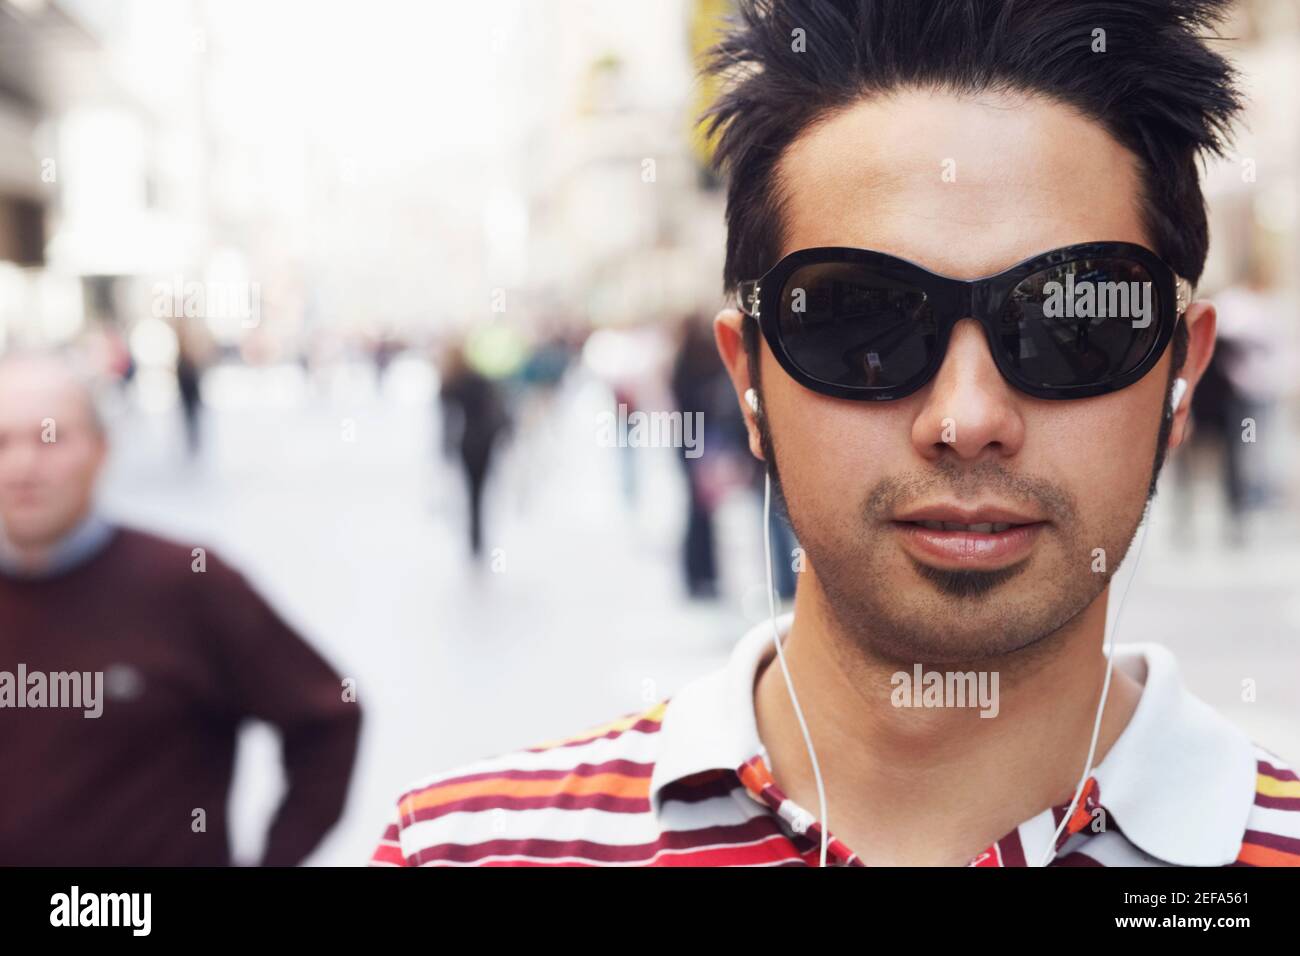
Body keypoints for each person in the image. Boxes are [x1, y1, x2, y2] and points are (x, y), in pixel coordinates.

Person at [371, 0, 1299, 867]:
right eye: (861, 324)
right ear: (748, 381)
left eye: (1070, 325)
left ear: (1181, 379)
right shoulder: (470, 848)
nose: (967, 419)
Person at [0, 351, 361, 866]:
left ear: (101, 450)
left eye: (50, 439)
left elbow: (328, 717)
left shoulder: (186, 584)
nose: (22, 466)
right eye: (3, 442)